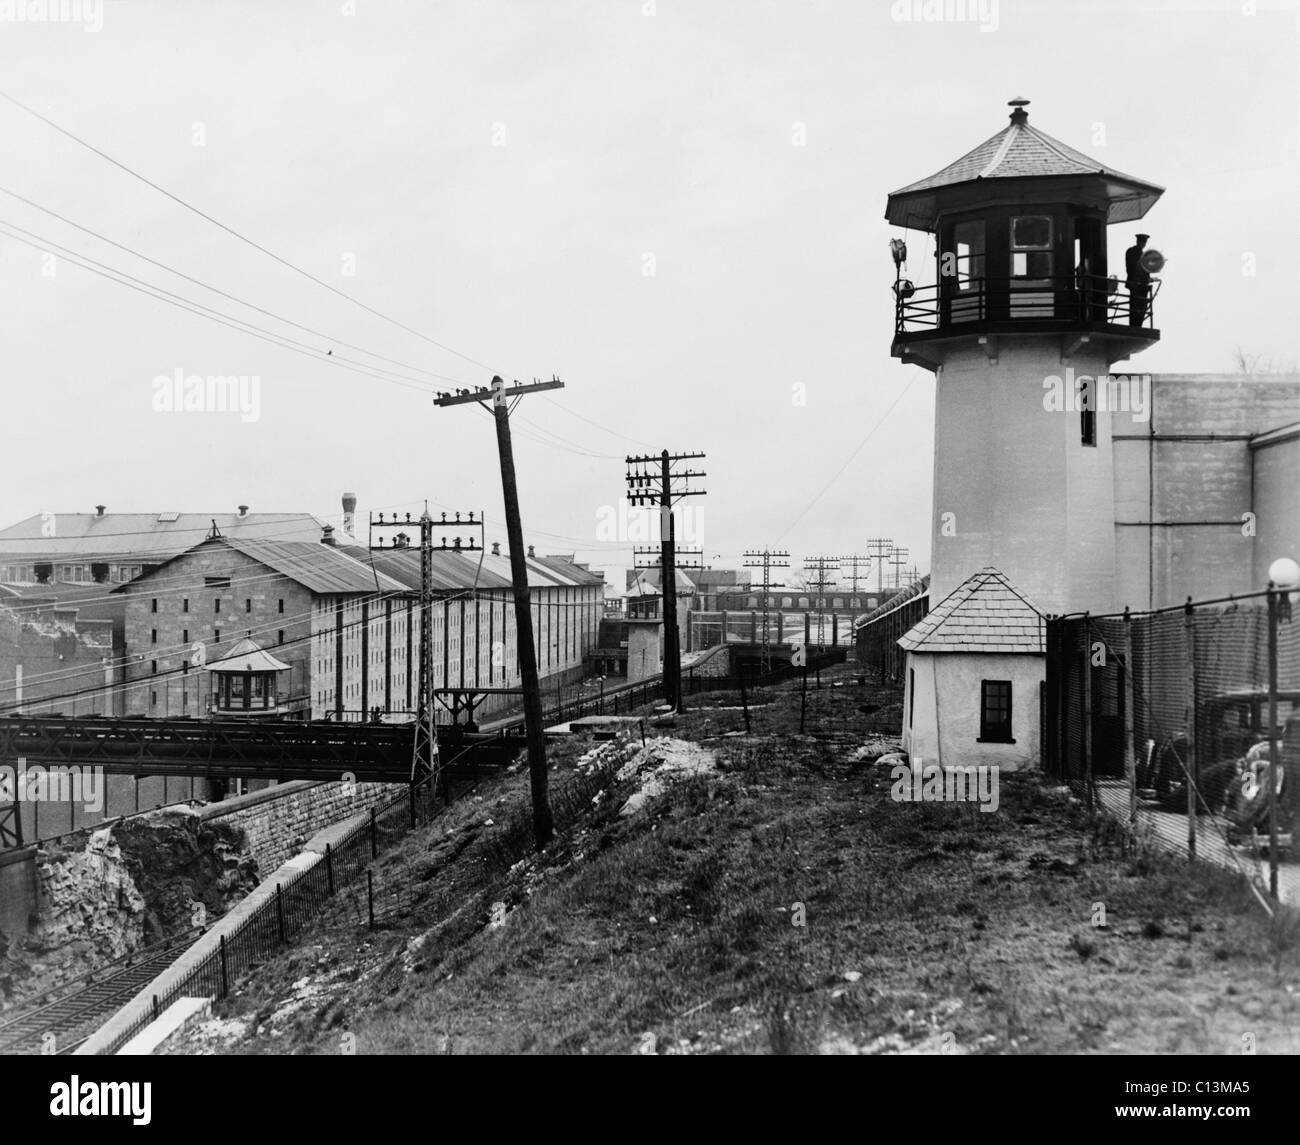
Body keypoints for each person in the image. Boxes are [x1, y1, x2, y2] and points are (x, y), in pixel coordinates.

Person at [1125, 233, 1152, 327]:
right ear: (1141, 242)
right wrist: (1147, 279)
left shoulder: (1131, 251)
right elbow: (1137, 269)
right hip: (1138, 285)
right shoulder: (1139, 254)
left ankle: (1134, 324)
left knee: (1135, 306)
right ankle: (1136, 325)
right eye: (1144, 242)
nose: (1144, 244)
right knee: (1139, 306)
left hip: (1135, 283)